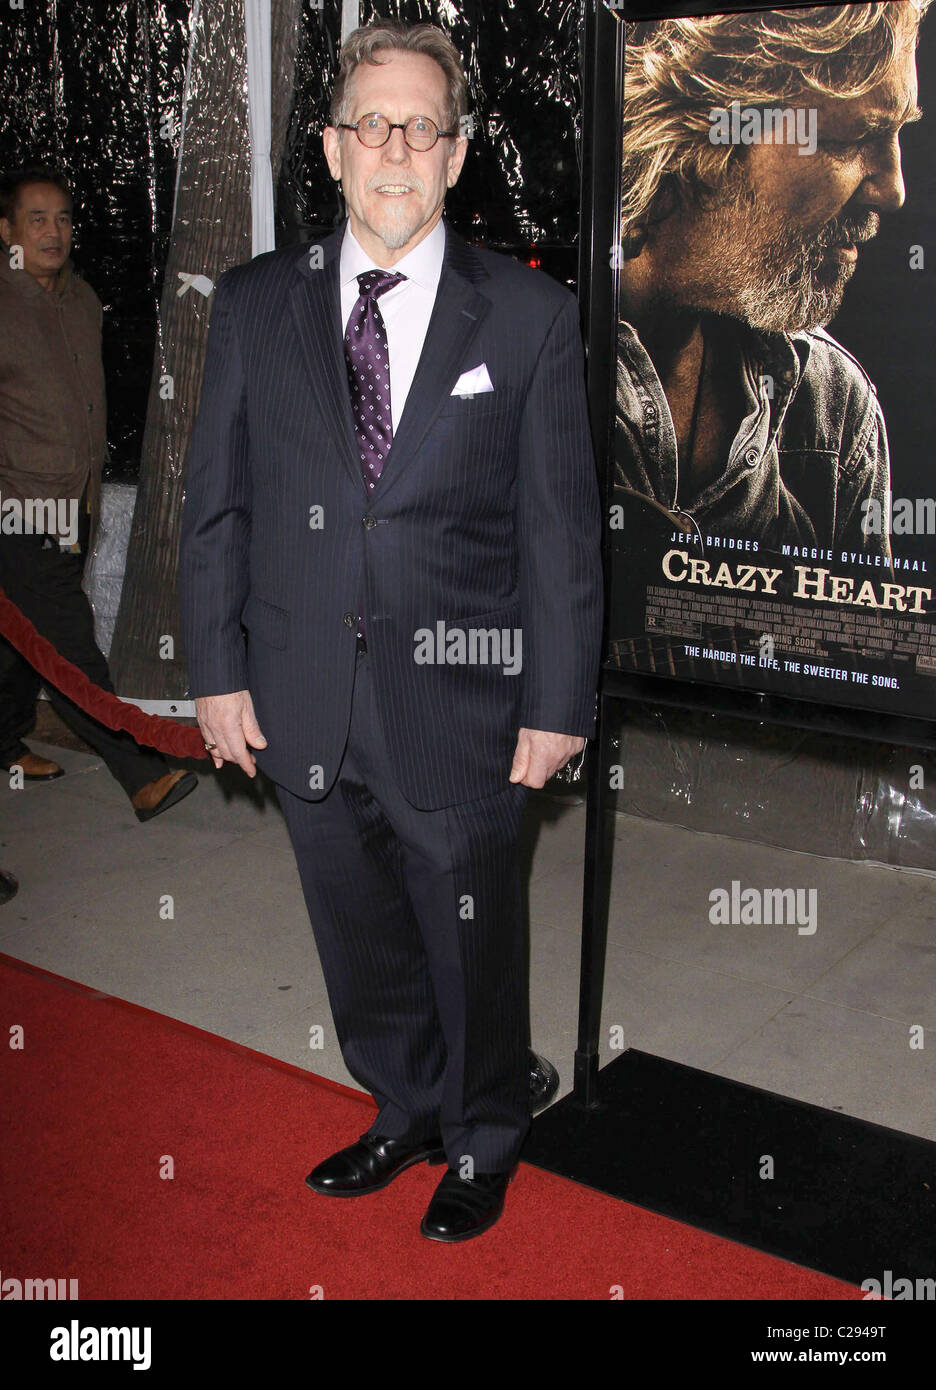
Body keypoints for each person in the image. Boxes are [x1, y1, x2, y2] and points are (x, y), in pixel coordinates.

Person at [179, 20, 602, 1242]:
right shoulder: (257, 304)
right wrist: (216, 674)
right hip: (301, 688)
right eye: (373, 123)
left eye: (422, 125)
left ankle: (483, 1133)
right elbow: (219, 505)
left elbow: (561, 534)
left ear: (458, 154)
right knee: (359, 934)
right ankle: (403, 1104)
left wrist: (558, 701)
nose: (396, 149)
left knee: (471, 938)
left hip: (464, 701)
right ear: (330, 147)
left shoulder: (526, 317)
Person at [613, 2, 929, 559]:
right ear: (708, 132)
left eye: (898, 134)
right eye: (852, 138)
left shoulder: (835, 410)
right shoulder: (520, 363)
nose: (893, 187)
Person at [0, 166, 197, 821]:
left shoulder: (81, 300)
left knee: (21, 639)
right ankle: (140, 772)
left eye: (62, 219)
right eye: (37, 219)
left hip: (73, 506)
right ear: (7, 230)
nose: (54, 232)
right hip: (18, 511)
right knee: (69, 644)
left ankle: (6, 740)